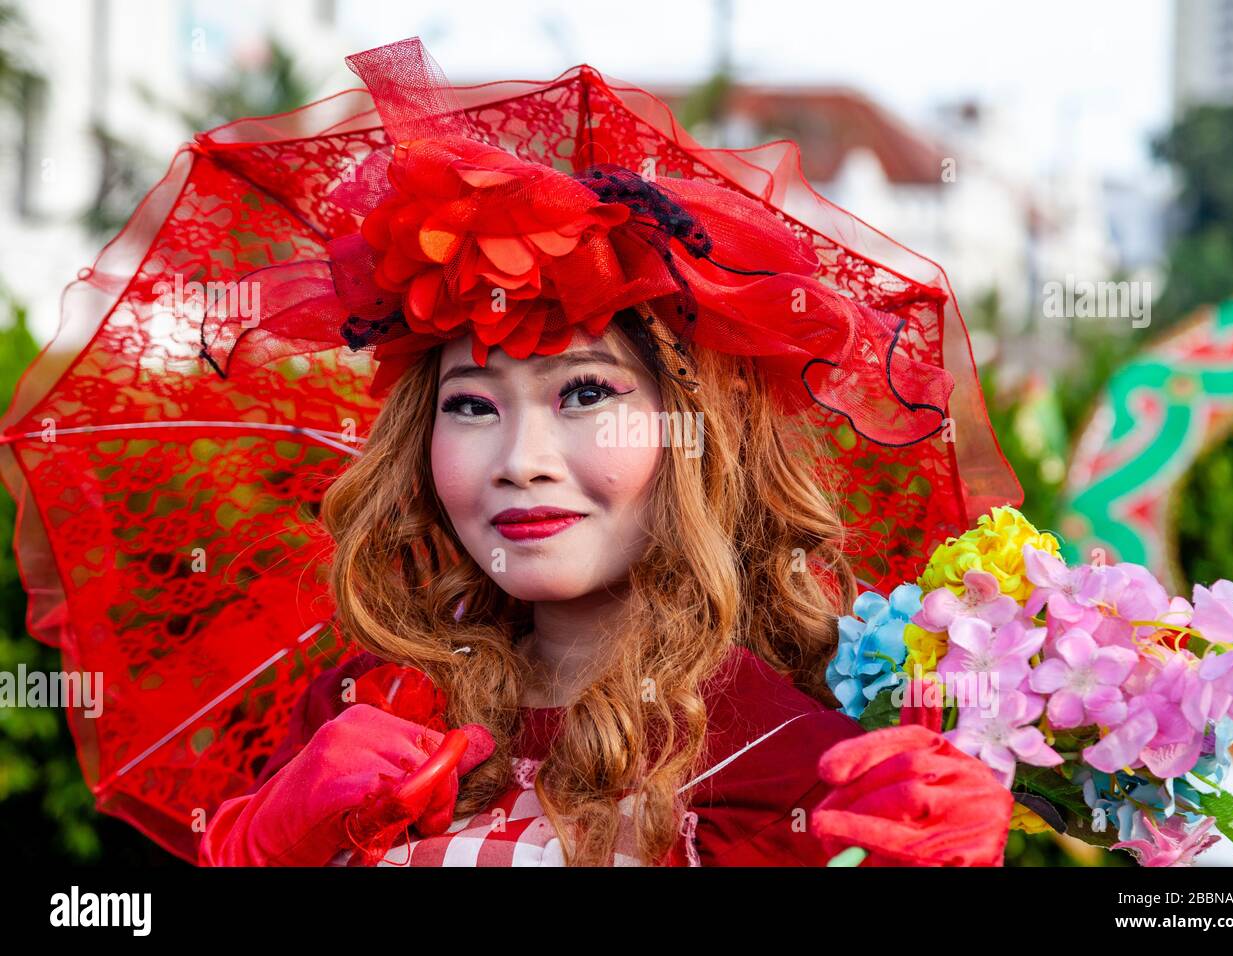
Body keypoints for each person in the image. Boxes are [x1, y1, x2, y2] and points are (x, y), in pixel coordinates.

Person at [194, 38, 1016, 868]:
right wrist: (261, 845)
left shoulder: (800, 763)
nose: (522, 461)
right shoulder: (367, 706)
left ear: (701, 433)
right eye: (471, 405)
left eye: (586, 394)